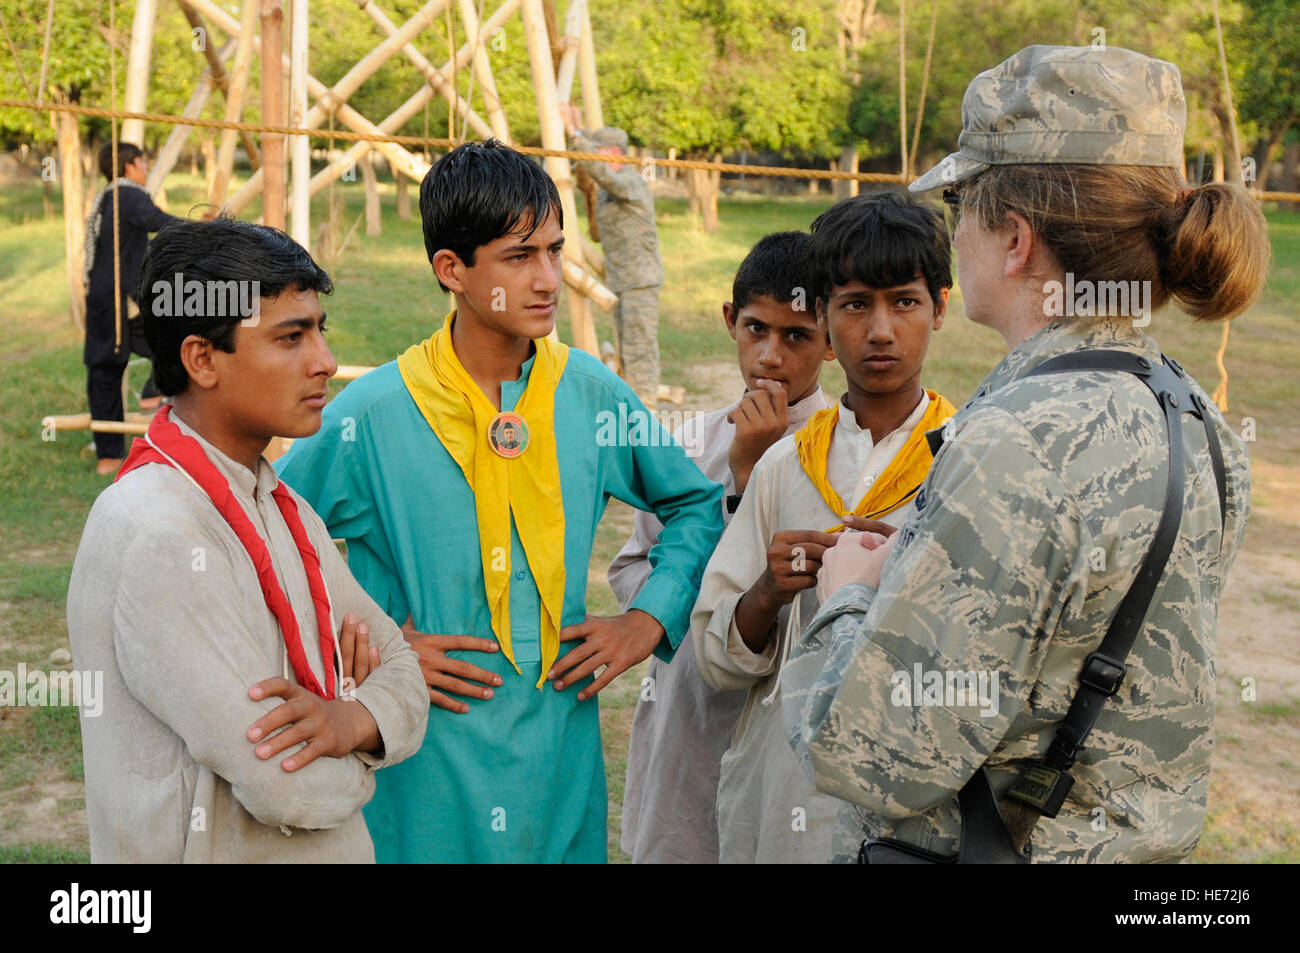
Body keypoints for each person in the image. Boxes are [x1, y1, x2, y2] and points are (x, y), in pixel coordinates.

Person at [785, 44, 1269, 863]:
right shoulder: (1195, 414)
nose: (954, 231)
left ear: (1013, 236)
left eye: (960, 205)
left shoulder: (1016, 440)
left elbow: (875, 756)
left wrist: (852, 596)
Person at [275, 139, 724, 863]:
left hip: (560, 758)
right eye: (520, 257)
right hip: (425, 762)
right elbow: (263, 536)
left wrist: (648, 618)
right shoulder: (375, 412)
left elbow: (697, 505)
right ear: (451, 270)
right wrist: (366, 647)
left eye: (555, 249)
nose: (550, 278)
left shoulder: (589, 391)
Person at [65, 219, 429, 862]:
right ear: (202, 359)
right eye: (290, 337)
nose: (325, 361)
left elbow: (404, 672)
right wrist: (369, 737)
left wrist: (348, 720)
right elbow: (289, 789)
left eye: (320, 330)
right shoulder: (159, 530)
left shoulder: (279, 505)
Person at [691, 192, 958, 863]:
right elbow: (717, 655)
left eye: (904, 301)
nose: (880, 330)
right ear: (825, 316)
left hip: (907, 798)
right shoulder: (785, 464)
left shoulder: (965, 464)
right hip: (783, 793)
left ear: (942, 308)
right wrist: (766, 593)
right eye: (855, 303)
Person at [609, 230, 835, 863]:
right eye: (757, 329)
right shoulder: (686, 445)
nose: (771, 356)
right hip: (689, 716)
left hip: (787, 724)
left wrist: (754, 478)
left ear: (832, 342)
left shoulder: (843, 455)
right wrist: (736, 479)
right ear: (730, 321)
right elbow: (633, 571)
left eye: (797, 336)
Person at [82, 142, 184, 475]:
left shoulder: (108, 199)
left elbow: (138, 244)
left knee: (111, 367)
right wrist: (200, 229)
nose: (145, 169)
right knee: (171, 341)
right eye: (142, 162)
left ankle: (115, 444)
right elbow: (159, 222)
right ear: (129, 167)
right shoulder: (128, 196)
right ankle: (112, 449)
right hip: (117, 301)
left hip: (107, 299)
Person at [561, 103, 665, 409]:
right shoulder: (608, 191)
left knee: (639, 347)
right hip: (623, 278)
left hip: (640, 279)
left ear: (615, 154)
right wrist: (579, 127)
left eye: (601, 152)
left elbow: (601, 172)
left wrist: (574, 134)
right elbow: (596, 231)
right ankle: (634, 401)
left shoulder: (630, 182)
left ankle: (647, 407)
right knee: (626, 346)